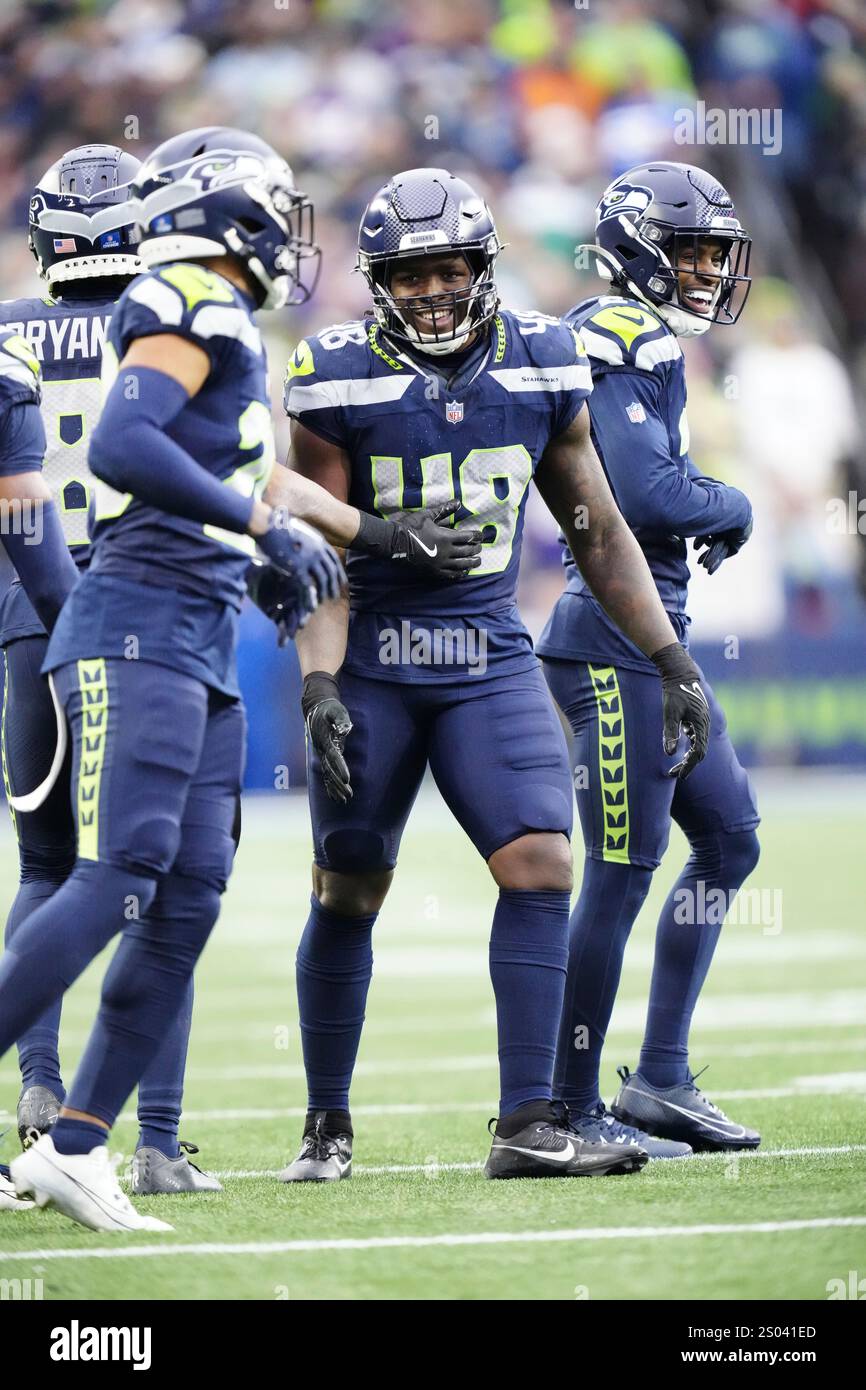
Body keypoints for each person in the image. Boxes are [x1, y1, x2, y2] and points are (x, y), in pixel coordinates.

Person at [278, 166, 710, 1183]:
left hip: (484, 654)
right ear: (379, 279)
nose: (430, 289)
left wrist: (671, 656)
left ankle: (528, 1120)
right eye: (409, 271)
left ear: (482, 266)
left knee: (540, 865)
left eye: (448, 267)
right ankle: (326, 1121)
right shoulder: (336, 369)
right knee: (348, 888)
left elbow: (595, 528)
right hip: (377, 656)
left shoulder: (543, 358)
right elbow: (320, 549)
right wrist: (318, 680)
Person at [0, 143, 224, 1194]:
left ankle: (40, 1083)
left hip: (27, 617)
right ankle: (155, 1138)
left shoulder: (6, 331)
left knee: (50, 867)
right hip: (149, 616)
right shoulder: (179, 324)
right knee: (156, 882)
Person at [537, 161, 761, 1154]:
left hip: (643, 643)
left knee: (728, 839)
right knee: (622, 870)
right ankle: (566, 1101)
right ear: (635, 247)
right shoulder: (621, 328)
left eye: (715, 253)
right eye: (690, 251)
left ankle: (659, 1079)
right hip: (611, 645)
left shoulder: (630, 329)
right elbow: (643, 490)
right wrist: (733, 504)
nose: (707, 270)